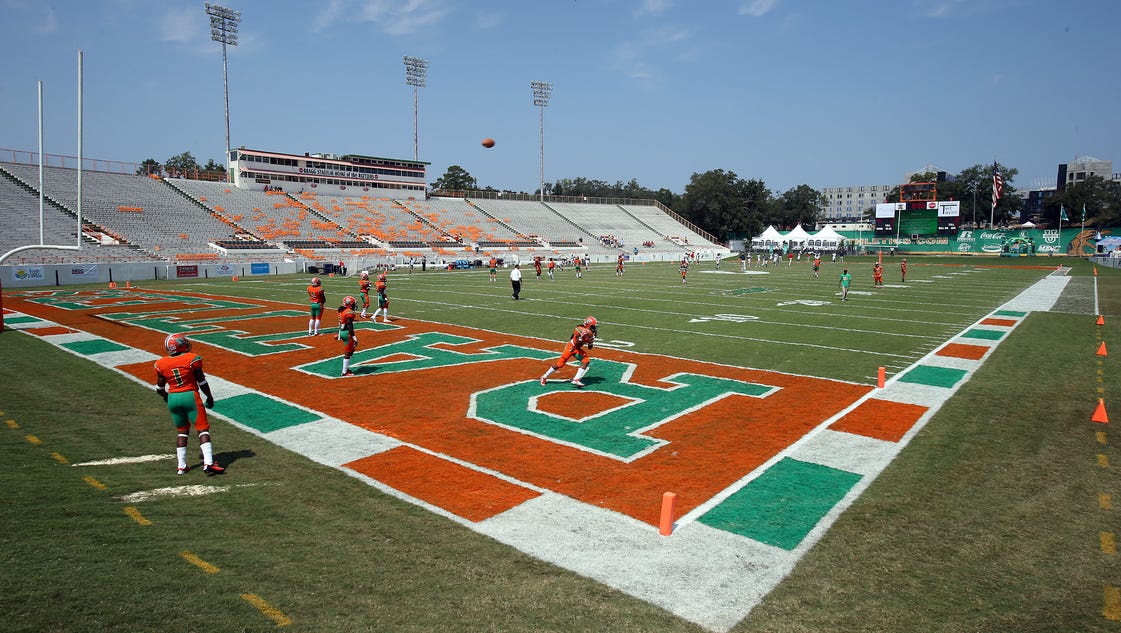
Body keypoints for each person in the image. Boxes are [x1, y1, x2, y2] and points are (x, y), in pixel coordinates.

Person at [154, 333, 224, 475]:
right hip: (190, 396)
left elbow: (159, 389)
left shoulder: (161, 363)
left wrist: (167, 397)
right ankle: (209, 463)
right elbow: (201, 381)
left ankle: (181, 466)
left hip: (173, 398)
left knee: (182, 431)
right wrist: (209, 396)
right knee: (202, 429)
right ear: (180, 344)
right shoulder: (191, 359)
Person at [540, 316, 597, 388]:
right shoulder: (579, 329)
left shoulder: (591, 333)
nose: (594, 328)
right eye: (593, 326)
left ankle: (576, 379)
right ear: (588, 324)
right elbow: (576, 342)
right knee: (559, 364)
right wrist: (582, 338)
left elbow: (590, 347)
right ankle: (544, 376)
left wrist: (590, 342)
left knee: (586, 361)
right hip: (571, 347)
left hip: (577, 349)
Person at [338, 295, 359, 376]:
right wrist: (353, 336)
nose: (354, 305)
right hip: (347, 333)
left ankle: (346, 369)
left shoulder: (342, 310)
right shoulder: (348, 312)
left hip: (342, 331)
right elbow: (349, 325)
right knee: (348, 352)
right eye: (353, 304)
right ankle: (344, 372)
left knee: (351, 350)